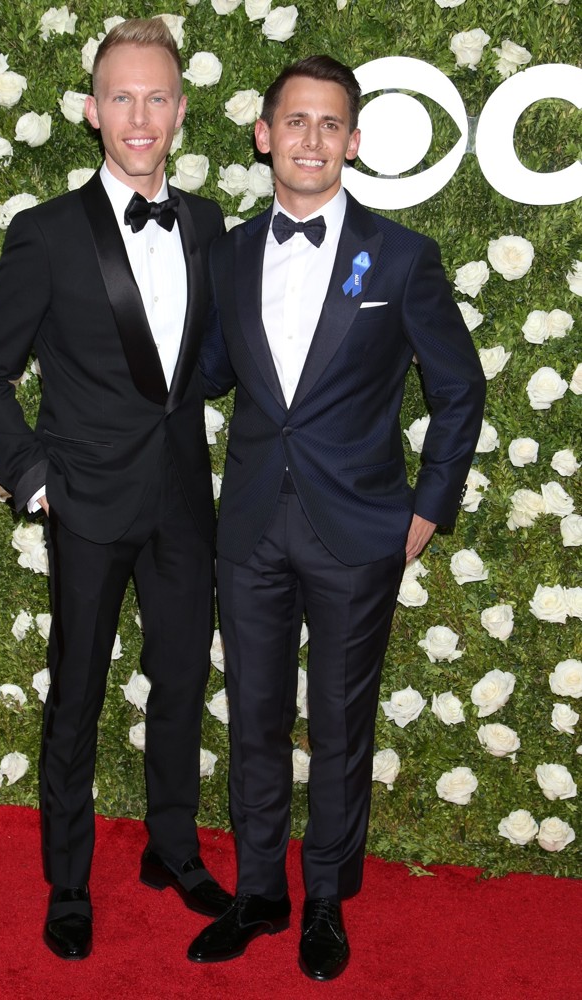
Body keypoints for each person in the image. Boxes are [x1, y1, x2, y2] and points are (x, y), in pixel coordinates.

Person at [187, 56, 486, 980]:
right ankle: (259, 893)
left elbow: (458, 388)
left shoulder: (401, 258)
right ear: (263, 134)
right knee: (254, 722)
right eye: (295, 121)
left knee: (342, 725)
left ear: (352, 143)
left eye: (330, 124)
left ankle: (325, 900)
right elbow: (200, 379)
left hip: (359, 533)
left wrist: (428, 508)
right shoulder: (228, 253)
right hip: (247, 533)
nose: (311, 139)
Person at [0, 18, 231, 963]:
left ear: (182, 112)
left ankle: (172, 849)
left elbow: (204, 363)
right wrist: (34, 478)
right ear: (91, 110)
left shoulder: (205, 223)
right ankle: (69, 879)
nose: (140, 115)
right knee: (74, 695)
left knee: (181, 684)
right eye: (121, 96)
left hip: (182, 506)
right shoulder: (42, 235)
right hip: (82, 504)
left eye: (157, 96)